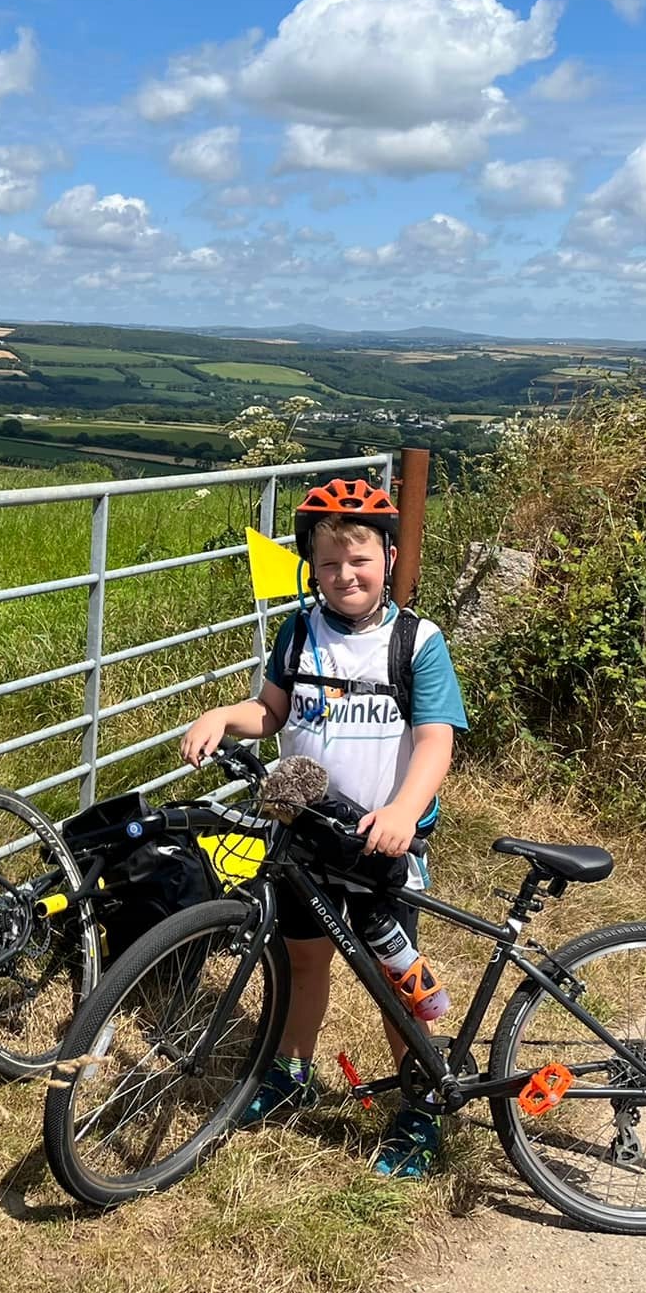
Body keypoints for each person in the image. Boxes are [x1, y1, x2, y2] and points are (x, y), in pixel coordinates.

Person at [181, 476, 466, 1178]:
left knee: (395, 980)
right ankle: (291, 1072)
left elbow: (435, 741)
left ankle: (421, 1103)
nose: (345, 575)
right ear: (313, 567)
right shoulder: (298, 631)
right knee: (303, 959)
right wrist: (224, 716)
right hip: (305, 834)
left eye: (360, 559)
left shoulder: (416, 642)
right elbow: (271, 712)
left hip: (381, 844)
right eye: (331, 562)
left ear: (389, 559)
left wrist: (403, 811)